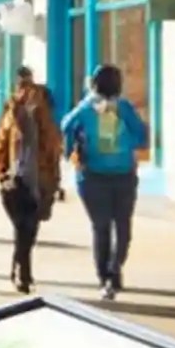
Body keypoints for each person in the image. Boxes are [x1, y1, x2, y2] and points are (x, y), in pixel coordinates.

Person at [62, 64, 149, 301]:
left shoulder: (108, 108)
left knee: (109, 228)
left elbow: (66, 125)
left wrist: (71, 150)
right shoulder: (108, 108)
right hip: (108, 176)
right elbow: (141, 136)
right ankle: (110, 273)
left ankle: (109, 273)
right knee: (115, 228)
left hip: (106, 177)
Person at [0, 67, 63, 294]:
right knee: (23, 226)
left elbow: (53, 149)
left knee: (29, 229)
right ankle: (23, 272)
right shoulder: (11, 113)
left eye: (28, 85)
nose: (25, 90)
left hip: (39, 181)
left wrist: (55, 181)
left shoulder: (44, 113)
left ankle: (20, 268)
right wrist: (0, 173)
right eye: (21, 85)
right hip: (15, 180)